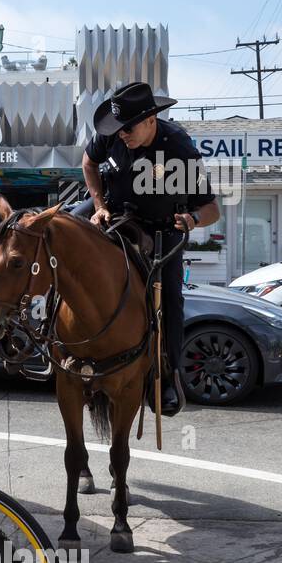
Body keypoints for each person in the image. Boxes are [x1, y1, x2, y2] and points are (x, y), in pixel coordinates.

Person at [75, 81, 220, 414]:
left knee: (170, 295)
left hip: (160, 228)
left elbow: (212, 209)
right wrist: (97, 204)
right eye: (117, 128)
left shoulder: (179, 148)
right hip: (111, 211)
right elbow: (88, 163)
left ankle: (167, 376)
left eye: (128, 127)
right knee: (59, 231)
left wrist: (193, 220)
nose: (121, 134)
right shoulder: (112, 134)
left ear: (151, 119)